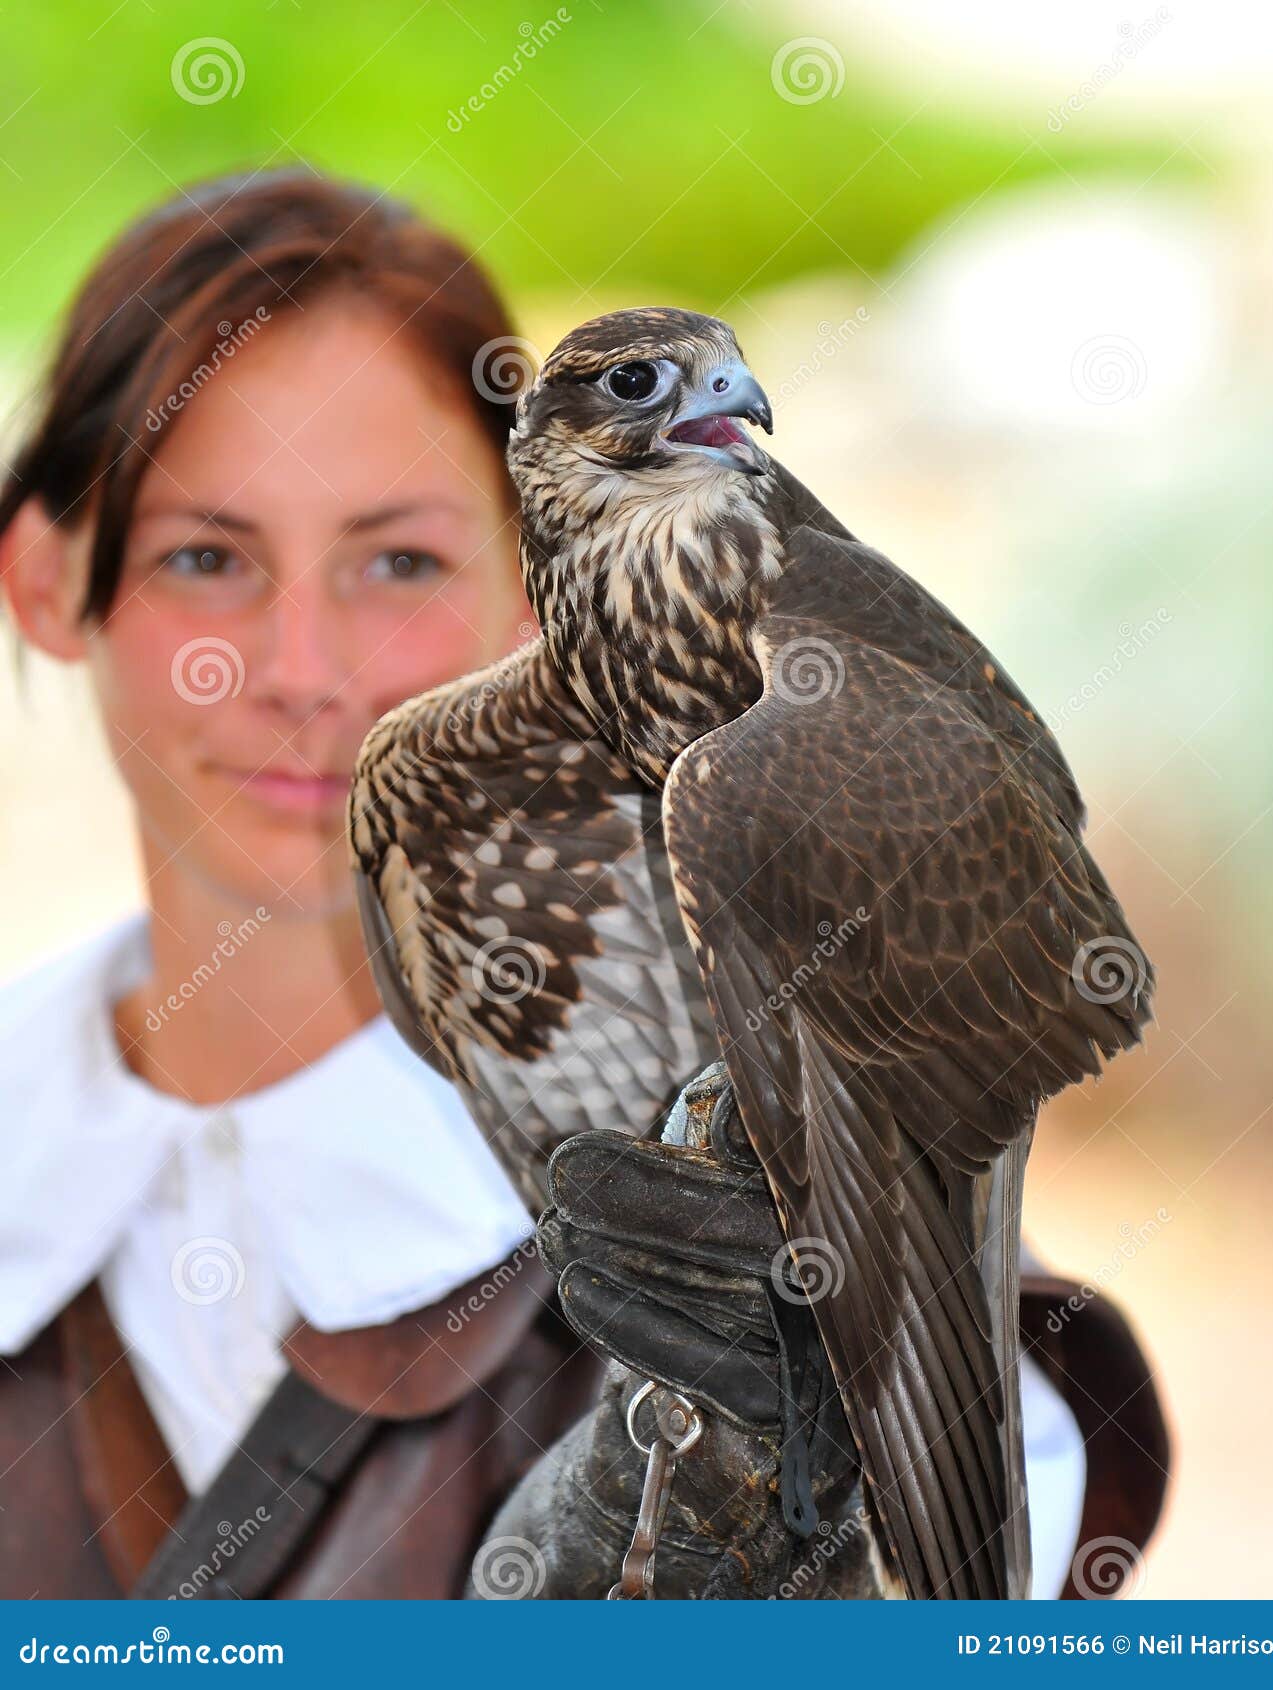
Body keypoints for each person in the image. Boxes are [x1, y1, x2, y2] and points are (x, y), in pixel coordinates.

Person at [0, 169, 1166, 1600]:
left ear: (517, 575)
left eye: (399, 557)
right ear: (45, 581)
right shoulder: (429, 815)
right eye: (206, 555)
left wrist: (820, 1567)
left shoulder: (794, 753)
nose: (301, 669)